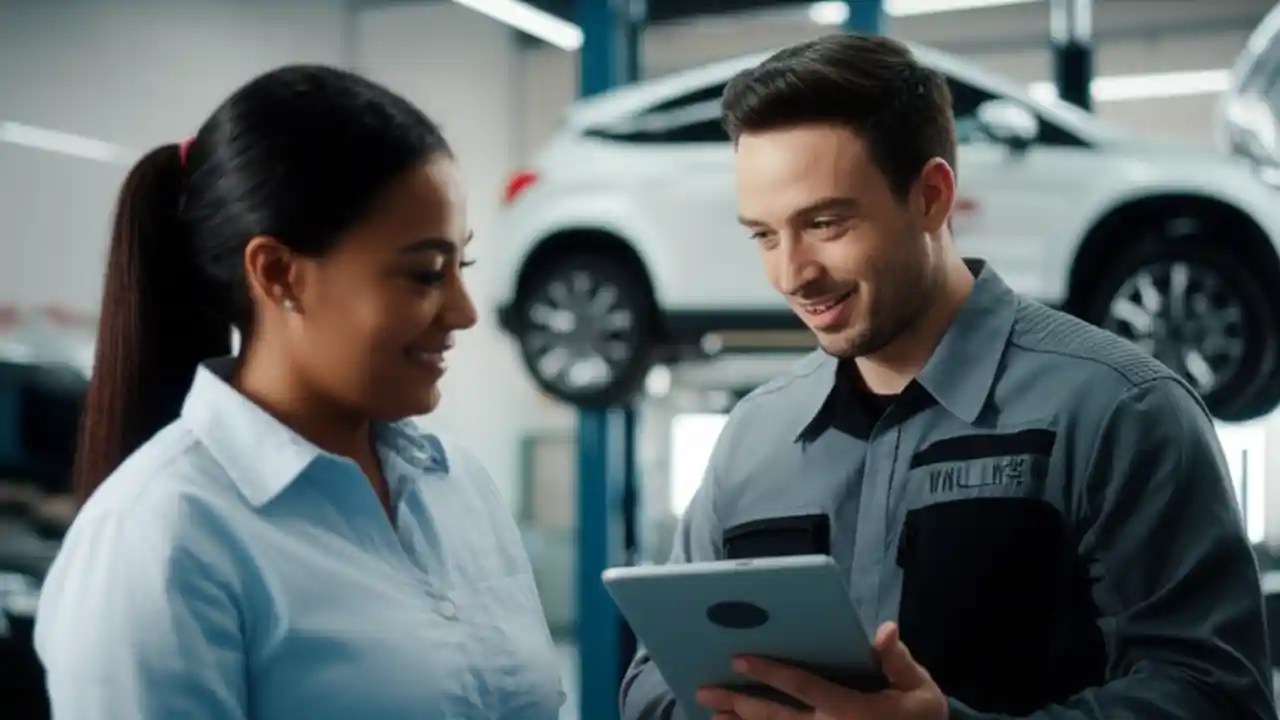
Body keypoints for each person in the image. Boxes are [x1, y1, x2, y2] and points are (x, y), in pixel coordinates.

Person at [621, 33, 1275, 720]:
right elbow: (649, 683)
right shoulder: (754, 438)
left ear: (933, 197)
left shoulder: (1121, 412)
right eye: (764, 234)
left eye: (825, 223)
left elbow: (1217, 697)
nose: (793, 273)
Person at [34, 65, 564, 719]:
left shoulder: (458, 488)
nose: (463, 311)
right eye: (426, 273)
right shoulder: (160, 537)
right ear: (279, 273)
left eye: (464, 265)